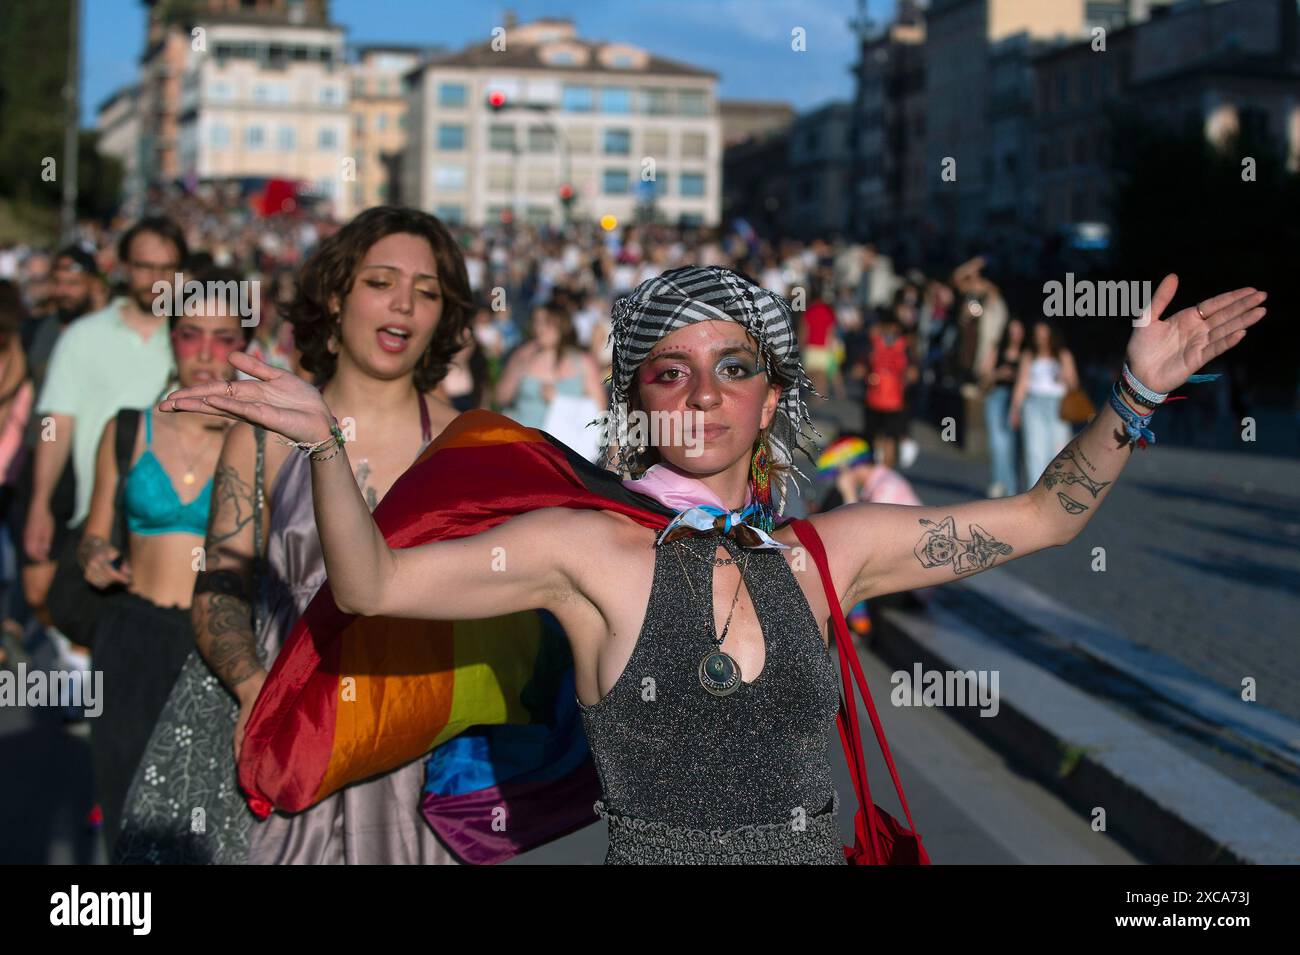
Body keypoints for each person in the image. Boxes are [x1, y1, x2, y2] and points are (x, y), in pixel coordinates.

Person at [163, 267, 1265, 865]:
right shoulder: (583, 550)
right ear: (634, 401)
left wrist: (1133, 397)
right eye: (667, 371)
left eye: (732, 367)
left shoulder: (833, 549)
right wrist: (319, 441)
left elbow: (1042, 516)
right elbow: (373, 589)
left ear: (772, 398)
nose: (700, 392)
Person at [118, 206, 468, 865]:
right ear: (335, 299)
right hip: (287, 748)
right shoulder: (261, 433)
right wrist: (254, 687)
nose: (403, 304)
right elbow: (220, 583)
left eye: (427, 292)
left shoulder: (465, 444)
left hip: (422, 762)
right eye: (381, 282)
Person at [80, 266, 254, 850]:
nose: (205, 352)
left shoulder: (260, 440)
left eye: (223, 337)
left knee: (204, 819)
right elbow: (94, 531)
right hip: (131, 634)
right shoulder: (128, 429)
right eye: (190, 333)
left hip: (216, 646)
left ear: (245, 346)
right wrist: (96, 555)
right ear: (171, 337)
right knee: (125, 805)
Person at [23, 219, 186, 631]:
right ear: (124, 267)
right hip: (97, 519)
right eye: (146, 267)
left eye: (167, 269)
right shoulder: (83, 336)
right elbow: (57, 423)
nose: (156, 279)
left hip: (174, 531)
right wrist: (41, 502)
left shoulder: (193, 341)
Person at [494, 299, 607, 430]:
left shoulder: (582, 362)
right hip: (522, 440)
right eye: (536, 322)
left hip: (564, 444)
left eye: (547, 322)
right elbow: (500, 398)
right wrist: (519, 363)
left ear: (562, 324)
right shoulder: (523, 355)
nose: (540, 328)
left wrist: (560, 402)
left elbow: (600, 410)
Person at [1011, 319, 1078, 491]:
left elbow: (1074, 385)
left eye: (1045, 335)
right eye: (1038, 335)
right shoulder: (1029, 355)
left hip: (1057, 404)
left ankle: (1055, 492)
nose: (1041, 339)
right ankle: (1034, 493)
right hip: (1033, 404)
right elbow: (1022, 383)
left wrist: (1065, 377)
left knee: (1057, 450)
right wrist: (1015, 408)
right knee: (1034, 451)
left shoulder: (1062, 355)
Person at [854, 310, 913, 470]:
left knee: (889, 438)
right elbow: (859, 367)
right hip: (873, 399)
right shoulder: (871, 345)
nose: (889, 333)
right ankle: (877, 469)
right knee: (874, 438)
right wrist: (865, 373)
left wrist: (907, 377)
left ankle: (886, 470)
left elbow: (913, 372)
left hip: (894, 402)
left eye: (894, 330)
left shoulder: (904, 347)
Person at [979, 317, 1026, 497]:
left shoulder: (1026, 353)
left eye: (1018, 331)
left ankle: (1011, 484)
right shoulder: (997, 349)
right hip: (997, 396)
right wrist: (999, 373)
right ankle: (998, 481)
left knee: (1014, 444)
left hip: (1017, 399)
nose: (1015, 335)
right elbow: (984, 375)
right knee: (997, 441)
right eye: (1012, 331)